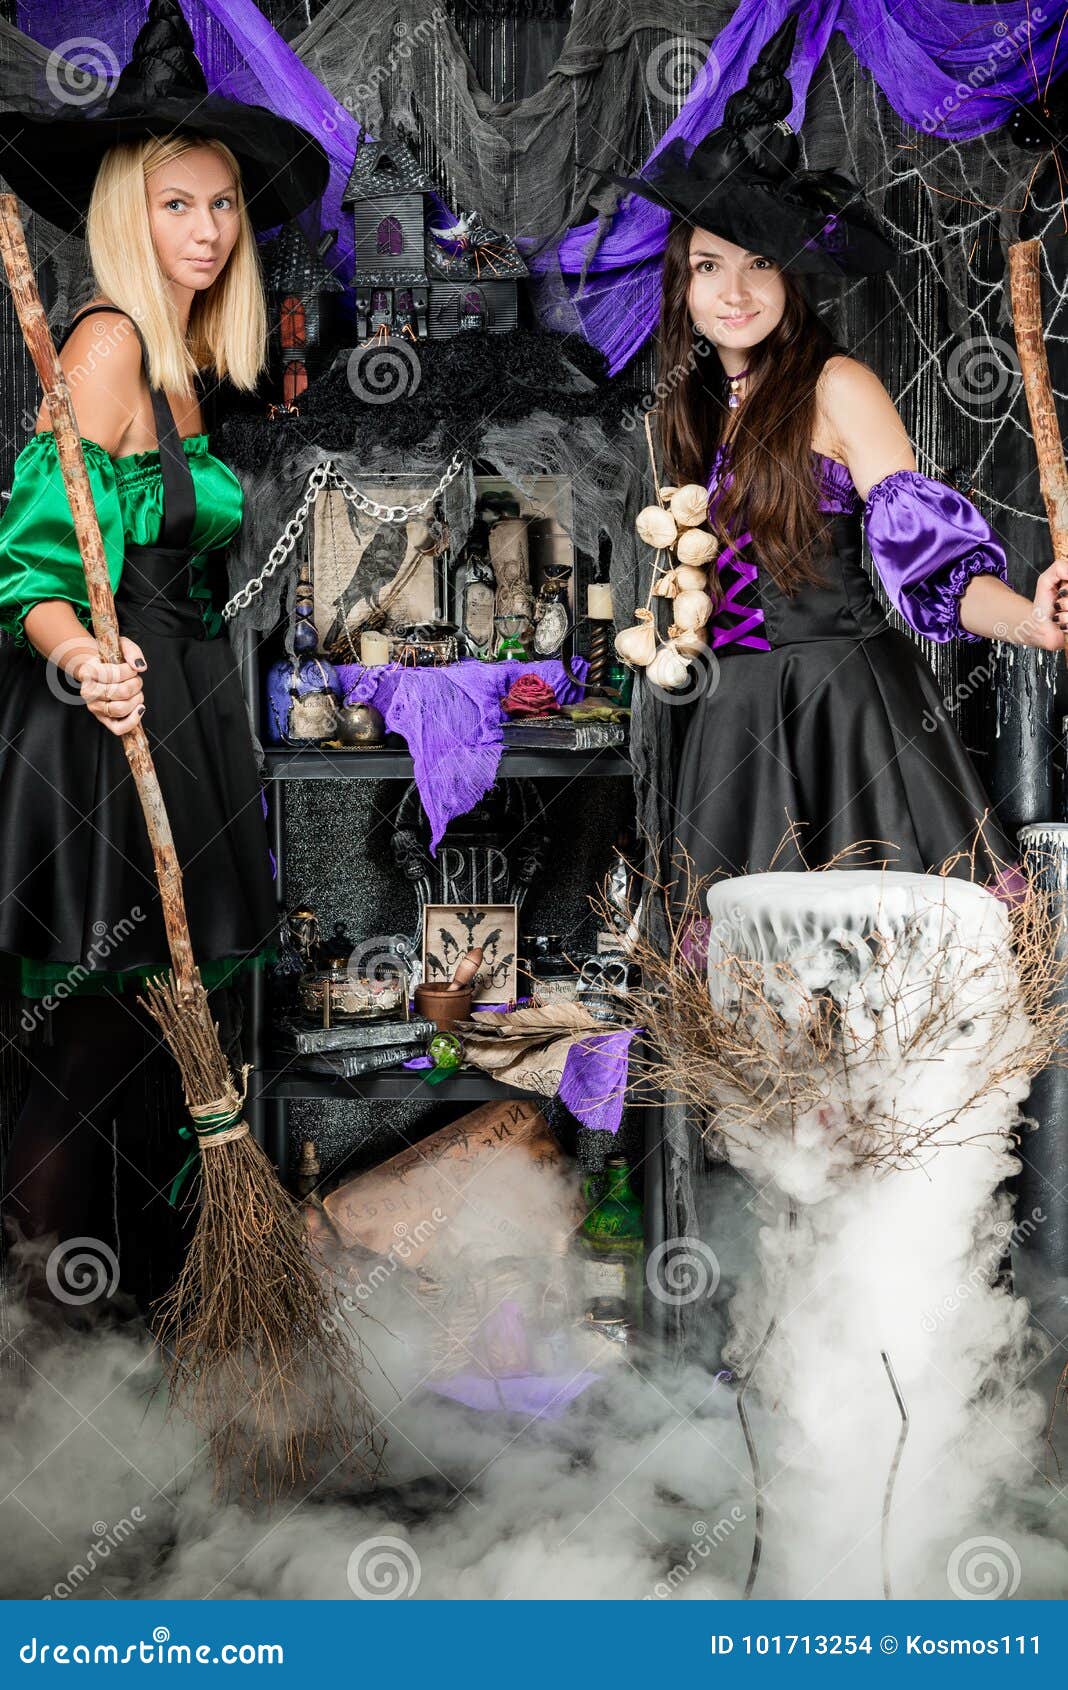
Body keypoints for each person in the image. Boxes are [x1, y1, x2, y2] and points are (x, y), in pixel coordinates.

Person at [0, 0, 329, 1321]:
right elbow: (29, 569)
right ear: (130, 211)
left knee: (153, 1058)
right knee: (80, 1059)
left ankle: (143, 1336)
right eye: (177, 203)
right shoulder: (109, 343)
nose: (205, 231)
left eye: (223, 208)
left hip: (183, 724)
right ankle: (48, 1368)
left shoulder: (187, 365)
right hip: (100, 739)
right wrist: (88, 663)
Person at [597, 20, 1068, 913]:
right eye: (708, 266)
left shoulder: (837, 387)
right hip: (727, 727)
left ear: (794, 279)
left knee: (867, 987)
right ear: (680, 281)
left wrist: (1030, 623)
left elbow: (926, 564)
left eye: (760, 263)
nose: (733, 293)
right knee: (749, 998)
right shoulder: (691, 408)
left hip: (841, 714)